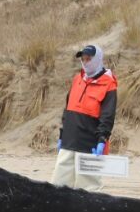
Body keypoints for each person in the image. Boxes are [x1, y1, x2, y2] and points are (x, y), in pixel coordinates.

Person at [50, 44, 117, 191]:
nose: (85, 62)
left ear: (98, 59)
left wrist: (102, 140)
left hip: (90, 144)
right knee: (58, 186)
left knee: (88, 189)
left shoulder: (109, 84)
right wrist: (62, 135)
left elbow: (108, 116)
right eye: (83, 59)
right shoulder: (77, 79)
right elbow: (68, 109)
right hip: (69, 141)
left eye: (89, 59)